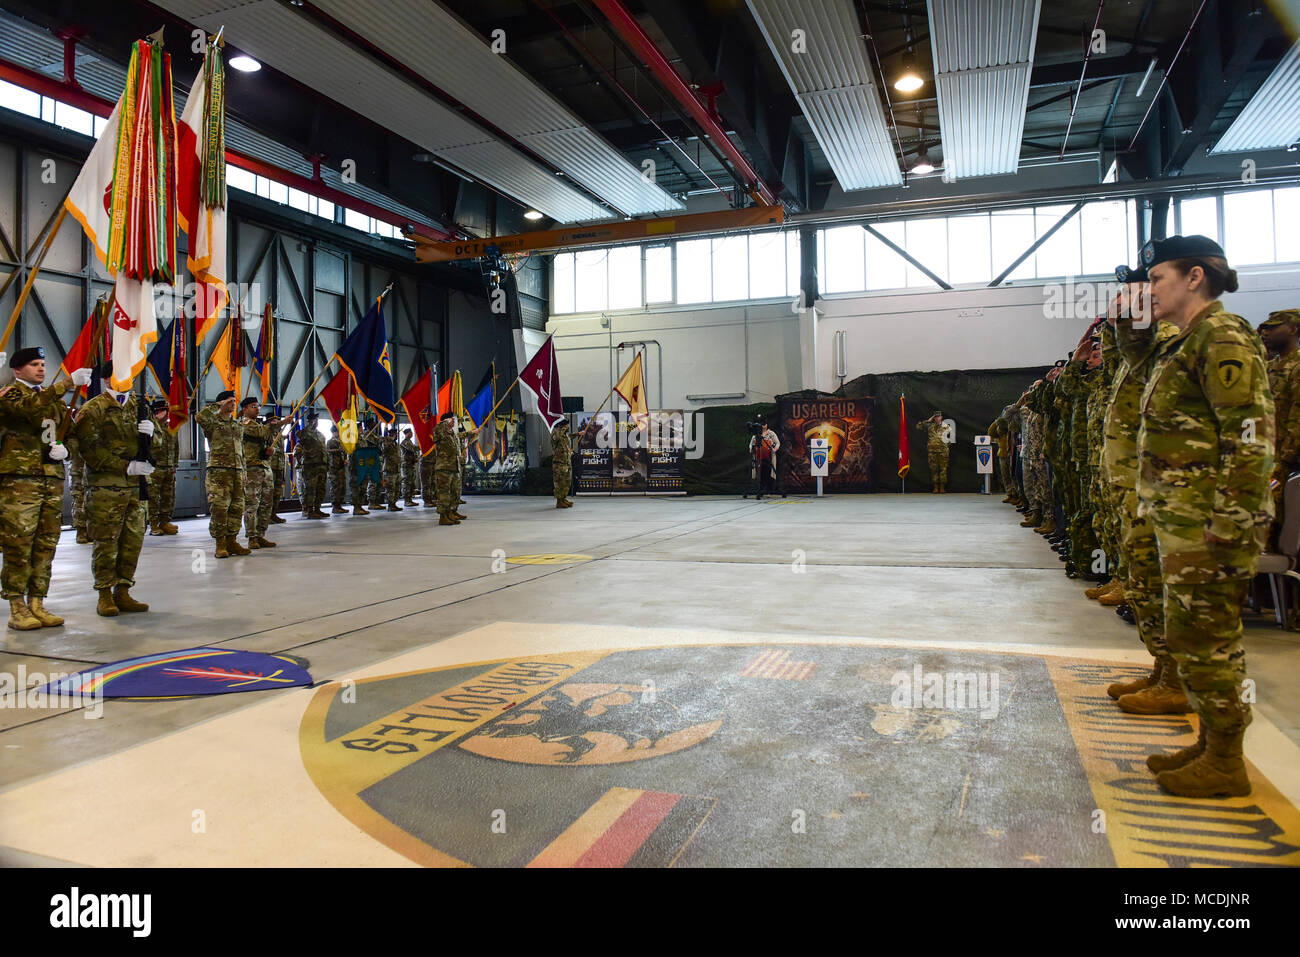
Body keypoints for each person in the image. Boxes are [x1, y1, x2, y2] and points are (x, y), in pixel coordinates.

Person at [1116, 235, 1272, 798]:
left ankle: (1226, 761)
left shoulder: (1223, 337)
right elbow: (1136, 362)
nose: (1148, 289)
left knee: (1209, 641)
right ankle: (1211, 746)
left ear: (1195, 277)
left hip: (1209, 521)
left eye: (1157, 279)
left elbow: (1250, 436)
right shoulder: (1187, 340)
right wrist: (1127, 320)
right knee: (1192, 635)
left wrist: (1231, 521)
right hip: (1183, 520)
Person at [0, 348, 89, 628]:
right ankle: (17, 605)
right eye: (33, 364)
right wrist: (65, 384)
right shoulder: (10, 395)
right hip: (20, 481)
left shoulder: (55, 403)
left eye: (42, 364)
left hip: (51, 480)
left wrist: (67, 451)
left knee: (46, 542)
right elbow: (28, 409)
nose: (40, 368)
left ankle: (37, 601)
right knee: (19, 541)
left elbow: (73, 435)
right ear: (17, 370)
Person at [73, 379, 155, 616]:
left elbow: (156, 445)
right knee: (107, 541)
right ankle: (104, 594)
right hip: (106, 486)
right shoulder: (94, 408)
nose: (127, 379)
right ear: (108, 379)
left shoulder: (139, 407)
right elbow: (89, 449)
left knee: (133, 540)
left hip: (136, 487)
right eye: (121, 373)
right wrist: (125, 466)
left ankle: (124, 589)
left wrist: (152, 434)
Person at [1258, 309, 1300, 540]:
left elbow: (1297, 416)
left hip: (1285, 461)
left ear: (1293, 329)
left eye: (1273, 327)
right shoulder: (1271, 366)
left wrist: (1287, 458)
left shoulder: (1297, 367)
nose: (1265, 332)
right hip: (1266, 456)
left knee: (1277, 520)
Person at [197, 390, 249, 559]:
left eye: (234, 401)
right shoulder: (213, 421)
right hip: (219, 472)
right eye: (229, 401)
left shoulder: (237, 424)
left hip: (237, 472)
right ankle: (220, 543)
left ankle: (232, 540)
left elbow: (241, 450)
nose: (233, 403)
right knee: (219, 508)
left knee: (237, 508)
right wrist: (216, 405)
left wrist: (244, 470)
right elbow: (199, 417)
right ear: (221, 403)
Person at [239, 398, 282, 549]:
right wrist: (282, 422)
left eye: (258, 406)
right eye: (253, 406)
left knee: (266, 504)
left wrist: (271, 451)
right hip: (251, 469)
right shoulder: (245, 424)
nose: (257, 409)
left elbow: (268, 443)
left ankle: (261, 534)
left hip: (265, 468)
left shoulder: (258, 424)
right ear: (244, 409)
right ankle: (252, 537)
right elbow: (261, 432)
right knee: (252, 505)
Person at [146, 398, 179, 536]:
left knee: (168, 497)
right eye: (164, 412)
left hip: (169, 467)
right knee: (152, 497)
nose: (166, 415)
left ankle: (165, 521)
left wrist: (175, 464)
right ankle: (153, 524)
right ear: (157, 412)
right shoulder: (150, 427)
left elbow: (176, 447)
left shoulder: (171, 428)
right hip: (155, 468)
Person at [295, 409, 328, 518]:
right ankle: (309, 510)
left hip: (321, 465)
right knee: (310, 489)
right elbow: (300, 436)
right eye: (314, 420)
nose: (316, 422)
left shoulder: (320, 434)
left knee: (321, 489)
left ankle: (317, 508)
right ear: (310, 421)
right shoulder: (304, 432)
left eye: (317, 420)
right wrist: (309, 426)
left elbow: (324, 449)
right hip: (310, 465)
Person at [433, 412, 464, 525]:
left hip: (453, 466)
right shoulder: (439, 431)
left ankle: (450, 513)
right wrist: (445, 422)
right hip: (443, 467)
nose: (454, 421)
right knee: (444, 494)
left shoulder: (451, 433)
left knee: (454, 492)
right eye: (452, 419)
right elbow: (437, 429)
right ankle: (442, 517)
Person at [918, 412, 949, 493]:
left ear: (941, 417)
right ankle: (935, 487)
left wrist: (945, 445)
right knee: (934, 470)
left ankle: (942, 487)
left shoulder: (946, 426)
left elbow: (951, 438)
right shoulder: (930, 426)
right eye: (935, 417)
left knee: (943, 470)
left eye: (938, 417)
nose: (937, 418)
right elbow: (919, 426)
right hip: (932, 452)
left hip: (943, 452)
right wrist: (929, 420)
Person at [748, 418, 779, 499]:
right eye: (762, 424)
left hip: (768, 457)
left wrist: (774, 450)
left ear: (767, 425)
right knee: (759, 473)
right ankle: (760, 490)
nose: (763, 426)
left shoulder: (771, 433)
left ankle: (768, 490)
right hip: (758, 457)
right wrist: (751, 449)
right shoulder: (756, 434)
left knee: (768, 472)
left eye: (764, 424)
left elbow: (777, 443)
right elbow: (751, 443)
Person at [326, 425, 348, 514]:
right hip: (333, 467)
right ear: (333, 432)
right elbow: (327, 450)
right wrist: (338, 450)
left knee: (342, 486)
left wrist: (345, 459)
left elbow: (344, 451)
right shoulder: (330, 442)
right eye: (337, 432)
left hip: (341, 466)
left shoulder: (341, 441)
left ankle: (340, 505)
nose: (338, 434)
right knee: (335, 486)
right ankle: (335, 506)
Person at [268, 423, 287, 525]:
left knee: (277, 492)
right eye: (274, 421)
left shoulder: (279, 435)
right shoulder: (267, 433)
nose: (276, 423)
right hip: (270, 466)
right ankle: (266, 516)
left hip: (279, 466)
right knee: (269, 493)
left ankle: (273, 514)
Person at [380, 425, 402, 511]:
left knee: (397, 488)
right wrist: (389, 441)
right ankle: (390, 504)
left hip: (397, 469)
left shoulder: (396, 444)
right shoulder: (387, 443)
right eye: (395, 434)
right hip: (389, 469)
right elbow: (384, 450)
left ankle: (394, 503)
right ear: (392, 434)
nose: (397, 436)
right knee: (390, 488)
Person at [552, 420, 573, 508]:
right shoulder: (556, 434)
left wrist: (578, 434)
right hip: (559, 464)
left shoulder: (565, 436)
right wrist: (562, 428)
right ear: (562, 426)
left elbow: (569, 437)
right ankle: (559, 501)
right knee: (559, 483)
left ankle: (563, 498)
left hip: (566, 462)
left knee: (566, 482)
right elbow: (557, 437)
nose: (568, 427)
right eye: (567, 425)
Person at [400, 428, 419, 506]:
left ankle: (410, 499)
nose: (411, 434)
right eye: (410, 433)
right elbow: (412, 449)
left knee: (411, 482)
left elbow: (415, 448)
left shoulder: (410, 441)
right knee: (407, 482)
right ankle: (406, 500)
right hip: (406, 465)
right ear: (407, 433)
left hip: (411, 465)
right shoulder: (405, 442)